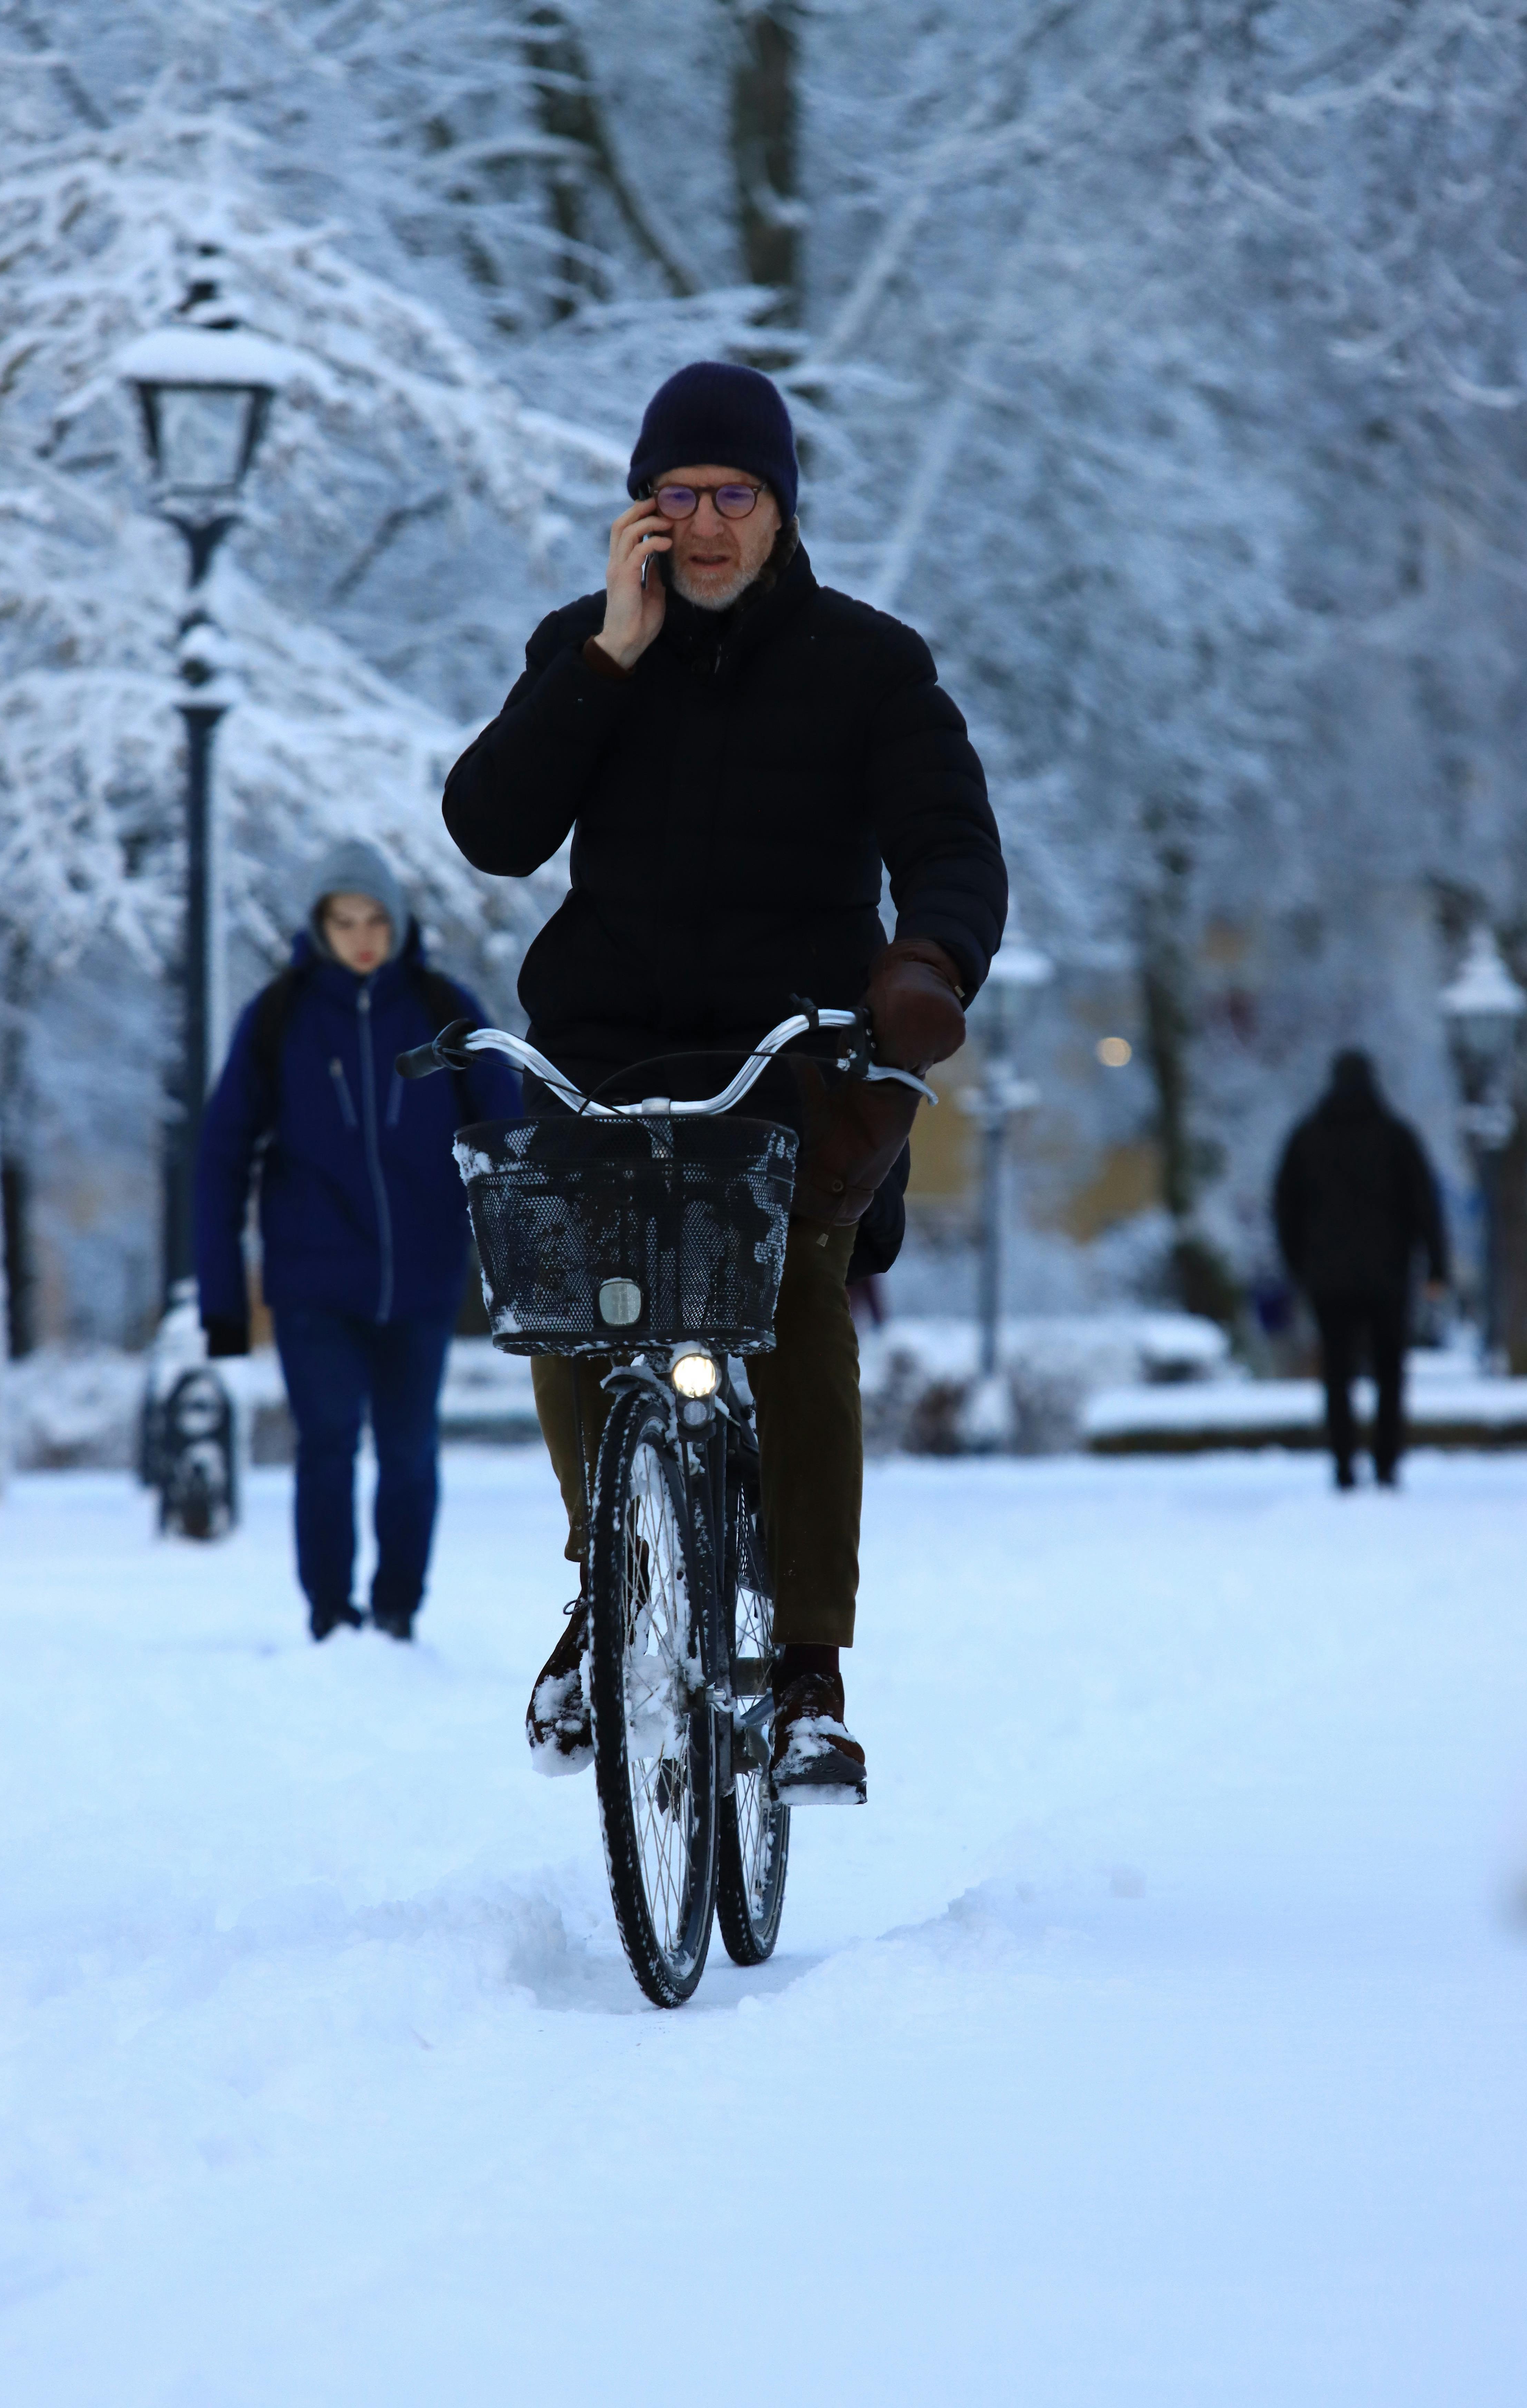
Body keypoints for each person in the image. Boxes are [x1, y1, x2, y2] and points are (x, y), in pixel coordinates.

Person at [443, 359, 1007, 1797]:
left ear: (780, 510)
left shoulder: (868, 667)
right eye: (677, 496)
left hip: (794, 1058)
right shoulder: (586, 648)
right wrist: (605, 660)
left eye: (733, 495)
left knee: (799, 1298)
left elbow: (947, 840)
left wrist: (924, 967)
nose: (704, 525)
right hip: (606, 1052)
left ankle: (808, 1663)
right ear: (641, 514)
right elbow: (493, 830)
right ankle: (605, 1587)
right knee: (569, 1291)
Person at [195, 839, 520, 1640]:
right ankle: (329, 1616)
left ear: (399, 921)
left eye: (375, 918)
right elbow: (220, 1156)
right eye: (344, 920)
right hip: (312, 1281)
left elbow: (510, 1135)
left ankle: (397, 1608)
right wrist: (222, 1305)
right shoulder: (279, 1017)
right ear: (319, 925)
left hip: (422, 1273)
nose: (362, 935)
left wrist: (528, 1262)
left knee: (408, 1453)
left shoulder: (446, 1012)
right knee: (329, 1448)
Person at [1273, 1048, 1448, 1490]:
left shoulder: (1306, 1138)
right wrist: (1436, 1267)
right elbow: (1424, 1206)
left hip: (1328, 1280)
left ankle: (1343, 1465)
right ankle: (1386, 1463)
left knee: (1336, 1373)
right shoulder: (1396, 1137)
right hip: (1387, 1277)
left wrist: (1298, 1266)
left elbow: (1284, 1209)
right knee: (1389, 1373)